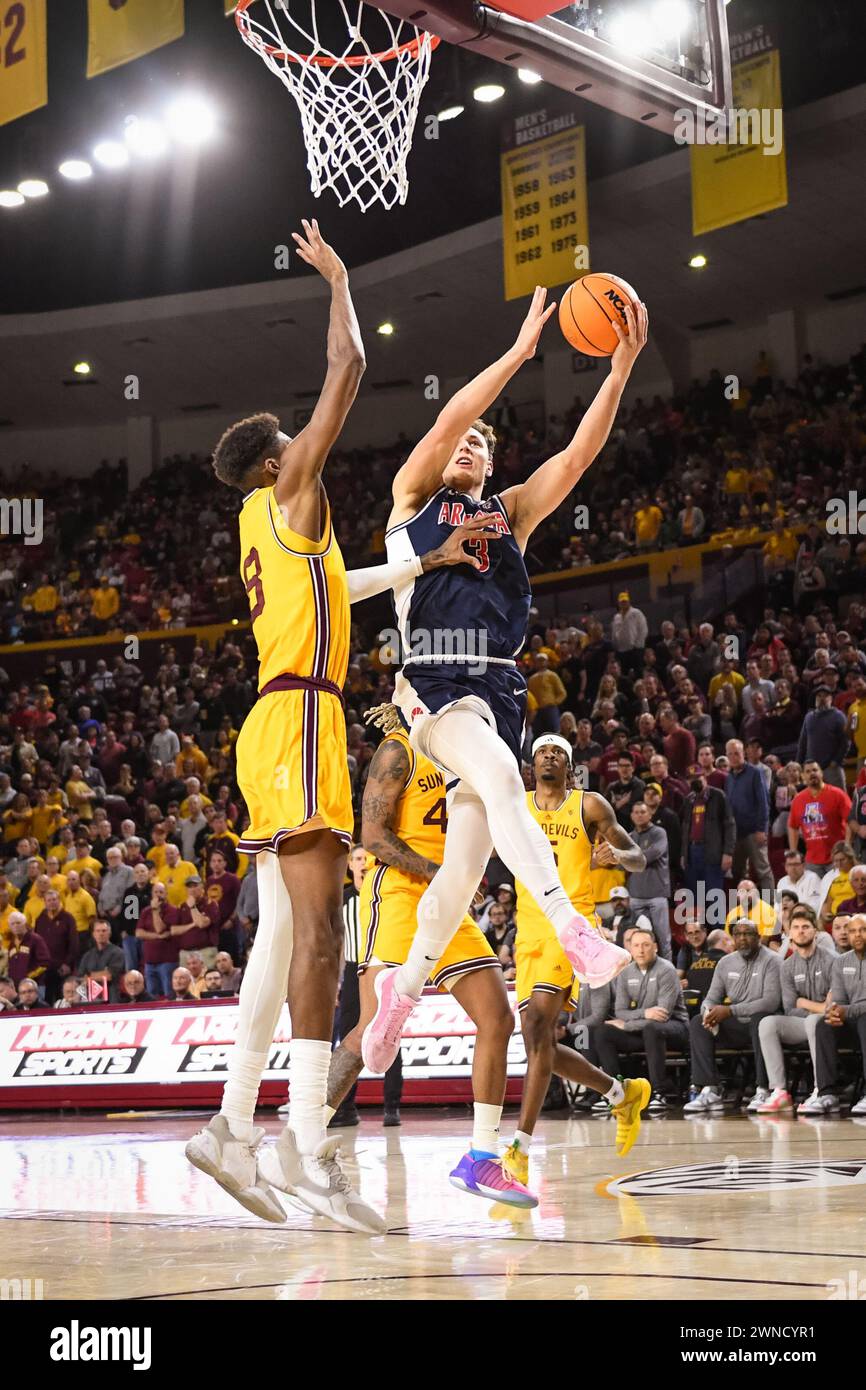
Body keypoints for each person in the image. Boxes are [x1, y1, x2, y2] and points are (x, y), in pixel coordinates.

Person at [187, 219, 494, 1235]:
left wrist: (422, 562)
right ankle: (307, 1148)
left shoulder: (269, 531)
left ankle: (234, 1126)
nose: (307, 453)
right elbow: (351, 367)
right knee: (321, 932)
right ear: (276, 460)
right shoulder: (291, 487)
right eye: (296, 445)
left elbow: (342, 585)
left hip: (275, 718)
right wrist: (338, 281)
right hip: (303, 723)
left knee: (281, 936)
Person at [361, 290, 648, 1075]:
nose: (469, 445)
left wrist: (618, 370)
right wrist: (522, 351)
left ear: (491, 467)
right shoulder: (415, 504)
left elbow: (578, 457)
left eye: (482, 445)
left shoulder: (511, 514)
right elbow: (453, 414)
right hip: (430, 680)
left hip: (499, 690)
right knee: (496, 778)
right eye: (463, 441)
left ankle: (403, 993)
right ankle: (571, 928)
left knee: (465, 862)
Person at [324, 712, 532, 1206]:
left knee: (498, 1017)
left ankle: (481, 1157)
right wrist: (441, 872)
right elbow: (371, 837)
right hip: (397, 893)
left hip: (448, 899)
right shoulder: (398, 750)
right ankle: (302, 1134)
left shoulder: (467, 752)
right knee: (369, 1027)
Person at [507, 734, 650, 1187]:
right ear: (531, 765)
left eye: (558, 753)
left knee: (536, 1031)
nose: (549, 756)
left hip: (571, 927)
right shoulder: (514, 805)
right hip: (526, 930)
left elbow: (639, 857)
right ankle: (620, 1092)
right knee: (539, 1044)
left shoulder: (588, 805)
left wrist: (616, 854)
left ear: (569, 766)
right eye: (542, 753)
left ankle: (519, 1151)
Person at [327, 841, 403, 1131]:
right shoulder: (342, 898)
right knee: (348, 1038)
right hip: (350, 970)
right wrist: (335, 981)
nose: (361, 862)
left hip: (381, 967)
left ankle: (391, 1107)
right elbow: (337, 943)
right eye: (356, 858)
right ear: (349, 864)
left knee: (388, 1035)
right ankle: (345, 1108)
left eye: (365, 858)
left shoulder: (385, 895)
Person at [683, 919, 781, 1113]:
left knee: (761, 1019)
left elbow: (771, 1002)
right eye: (738, 934)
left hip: (764, 1025)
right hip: (736, 1027)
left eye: (748, 934)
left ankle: (764, 1089)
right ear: (732, 938)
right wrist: (707, 1012)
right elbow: (711, 998)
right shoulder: (725, 962)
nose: (742, 938)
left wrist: (730, 1010)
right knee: (697, 1023)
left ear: (759, 937)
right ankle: (709, 1089)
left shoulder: (773, 960)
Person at [592, 927, 689, 1112]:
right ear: (630, 948)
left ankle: (659, 1093)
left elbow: (663, 1014)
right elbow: (620, 1011)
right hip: (643, 1029)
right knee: (603, 1032)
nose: (641, 950)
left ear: (655, 947)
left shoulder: (667, 970)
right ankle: (616, 1092)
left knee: (652, 1029)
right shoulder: (626, 973)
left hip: (675, 1028)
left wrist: (627, 1024)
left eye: (645, 945)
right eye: (636, 945)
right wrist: (644, 1014)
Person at [755, 906, 831, 1113]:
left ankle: (821, 1090)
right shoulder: (786, 966)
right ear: (789, 934)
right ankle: (779, 1091)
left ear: (815, 931)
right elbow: (790, 1007)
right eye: (796, 927)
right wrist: (816, 1007)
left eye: (806, 927)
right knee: (768, 1023)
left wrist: (804, 1002)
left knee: (815, 1022)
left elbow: (832, 1007)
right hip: (804, 1022)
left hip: (830, 1024)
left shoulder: (833, 960)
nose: (801, 931)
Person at [802, 914, 866, 1116]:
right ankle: (826, 1093)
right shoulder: (841, 962)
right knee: (824, 1024)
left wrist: (846, 1010)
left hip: (863, 1020)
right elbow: (838, 998)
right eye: (853, 931)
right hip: (851, 1021)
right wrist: (833, 1011)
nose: (858, 935)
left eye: (863, 930)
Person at [724, 739, 773, 893]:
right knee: (738, 873)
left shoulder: (755, 773)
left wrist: (762, 829)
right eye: (730, 754)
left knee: (762, 870)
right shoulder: (729, 777)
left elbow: (764, 803)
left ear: (743, 753)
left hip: (754, 831)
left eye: (736, 753)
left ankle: (772, 908)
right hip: (736, 833)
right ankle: (743, 910)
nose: (733, 757)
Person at [625, 802, 672, 959]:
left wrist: (628, 857)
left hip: (656, 895)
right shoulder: (630, 837)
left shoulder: (659, 833)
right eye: (636, 812)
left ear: (650, 814)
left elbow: (652, 855)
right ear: (631, 816)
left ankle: (668, 974)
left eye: (643, 812)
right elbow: (621, 863)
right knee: (637, 940)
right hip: (636, 896)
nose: (639, 815)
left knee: (662, 939)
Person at [788, 761, 852, 875]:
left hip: (837, 858)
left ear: (821, 773)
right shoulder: (798, 800)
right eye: (808, 771)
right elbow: (792, 826)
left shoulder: (837, 794)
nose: (812, 773)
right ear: (803, 776)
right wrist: (793, 851)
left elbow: (851, 821)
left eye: (815, 770)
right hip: (812, 861)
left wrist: (847, 846)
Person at [681, 770, 735, 905]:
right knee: (695, 896)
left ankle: (717, 926)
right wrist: (684, 853)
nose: (694, 781)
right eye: (691, 779)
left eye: (697, 777)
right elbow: (685, 828)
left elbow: (730, 825)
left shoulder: (718, 796)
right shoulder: (689, 800)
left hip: (713, 851)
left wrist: (728, 852)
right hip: (692, 851)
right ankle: (699, 926)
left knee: (714, 894)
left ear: (704, 777)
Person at [797, 685, 850, 791]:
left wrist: (836, 761)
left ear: (831, 699)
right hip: (812, 768)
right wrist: (798, 764)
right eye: (819, 696)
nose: (822, 698)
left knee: (839, 799)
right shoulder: (809, 717)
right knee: (815, 801)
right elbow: (802, 742)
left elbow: (846, 741)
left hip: (831, 768)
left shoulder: (838, 716)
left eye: (825, 696)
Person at [33, 888, 78, 1004]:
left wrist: (68, 963)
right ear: (45, 902)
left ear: (59, 900)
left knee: (63, 998)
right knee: (47, 998)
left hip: (63, 967)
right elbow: (36, 942)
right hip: (46, 967)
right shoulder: (40, 919)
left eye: (54, 899)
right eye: (49, 900)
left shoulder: (68, 918)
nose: (52, 902)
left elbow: (74, 943)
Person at [78, 919, 126, 1003]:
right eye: (98, 931)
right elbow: (81, 978)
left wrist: (89, 975)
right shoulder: (87, 956)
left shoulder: (118, 953)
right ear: (93, 934)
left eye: (104, 931)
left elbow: (109, 976)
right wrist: (102, 974)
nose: (101, 933)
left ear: (109, 933)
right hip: (90, 1000)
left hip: (112, 998)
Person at [775, 850, 824, 915]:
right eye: (790, 865)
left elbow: (815, 906)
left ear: (803, 865)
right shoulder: (781, 882)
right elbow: (777, 907)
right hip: (787, 919)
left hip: (807, 918)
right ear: (785, 867)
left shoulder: (812, 878)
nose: (793, 868)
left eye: (796, 864)